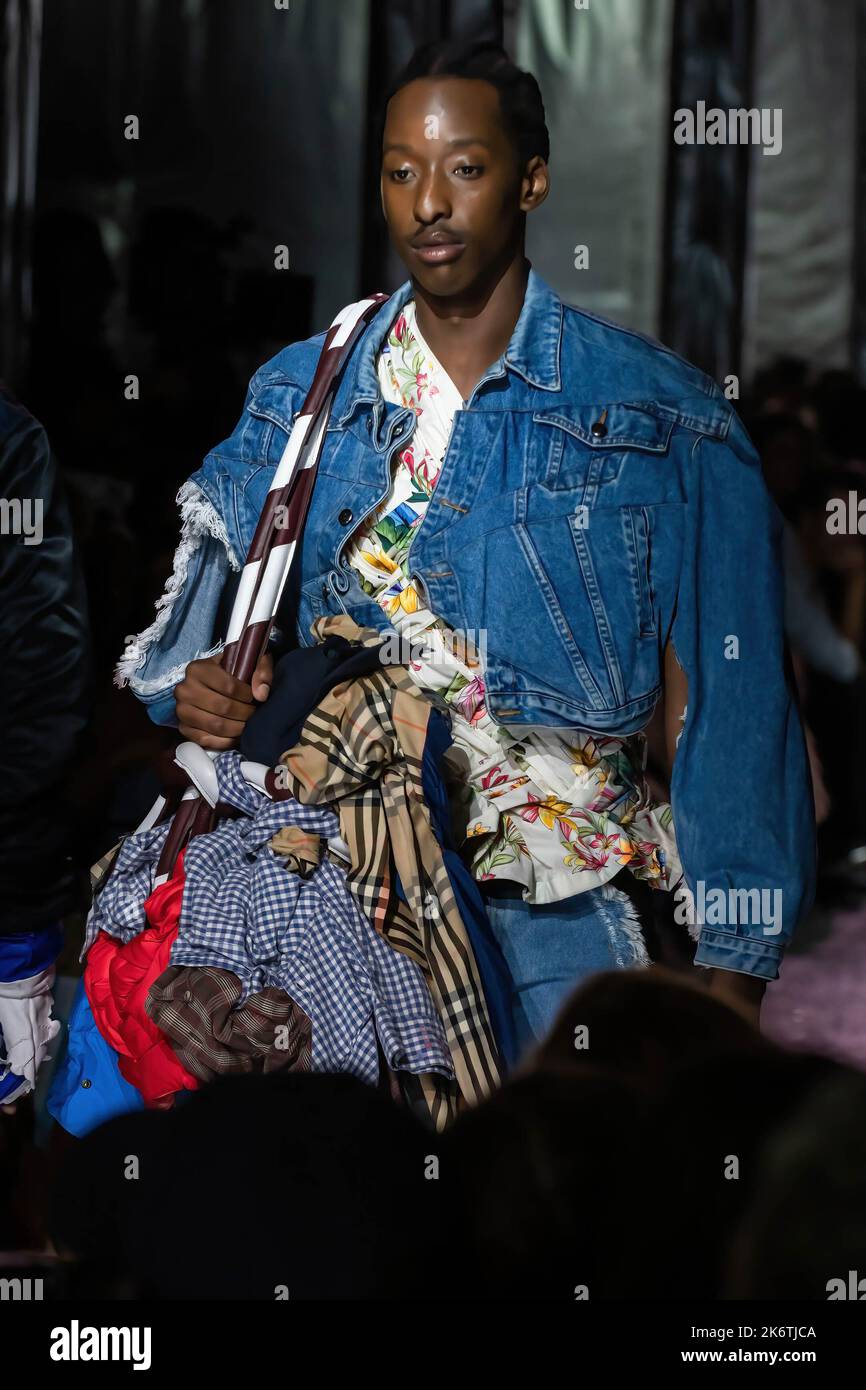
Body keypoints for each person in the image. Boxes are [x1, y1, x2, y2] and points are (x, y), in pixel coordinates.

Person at [115, 40, 815, 1052]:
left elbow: (733, 707)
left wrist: (736, 975)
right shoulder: (303, 391)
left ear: (531, 180)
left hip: (555, 903)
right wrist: (202, 691)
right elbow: (203, 649)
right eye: (400, 172)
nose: (428, 204)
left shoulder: (662, 415)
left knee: (553, 1153)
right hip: (328, 885)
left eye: (466, 168)